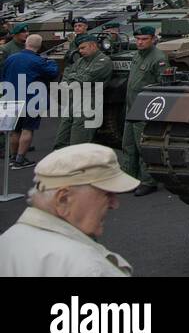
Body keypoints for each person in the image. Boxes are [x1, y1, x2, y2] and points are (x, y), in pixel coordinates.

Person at [0, 143, 137, 276]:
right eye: (107, 193)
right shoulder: (91, 269)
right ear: (63, 199)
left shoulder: (8, 240)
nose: (115, 204)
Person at [121, 25, 166, 196]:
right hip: (131, 107)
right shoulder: (137, 56)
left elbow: (163, 85)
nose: (140, 42)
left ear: (153, 39)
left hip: (145, 108)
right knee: (128, 145)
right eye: (138, 39)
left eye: (144, 39)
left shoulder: (158, 58)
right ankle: (128, 178)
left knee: (144, 146)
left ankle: (148, 180)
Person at [2, 33, 59, 168]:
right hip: (31, 100)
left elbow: (4, 75)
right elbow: (52, 73)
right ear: (38, 47)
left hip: (12, 97)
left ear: (26, 43)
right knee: (27, 130)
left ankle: (12, 157)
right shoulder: (38, 61)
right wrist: (51, 62)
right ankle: (20, 160)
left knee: (15, 130)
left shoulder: (11, 58)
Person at [51, 34, 112, 151]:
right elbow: (66, 75)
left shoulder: (103, 61)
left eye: (83, 48)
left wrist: (73, 78)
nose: (80, 51)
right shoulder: (80, 61)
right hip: (72, 103)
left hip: (88, 106)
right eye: (79, 48)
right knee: (60, 142)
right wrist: (74, 78)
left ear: (93, 46)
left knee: (78, 146)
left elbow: (84, 80)